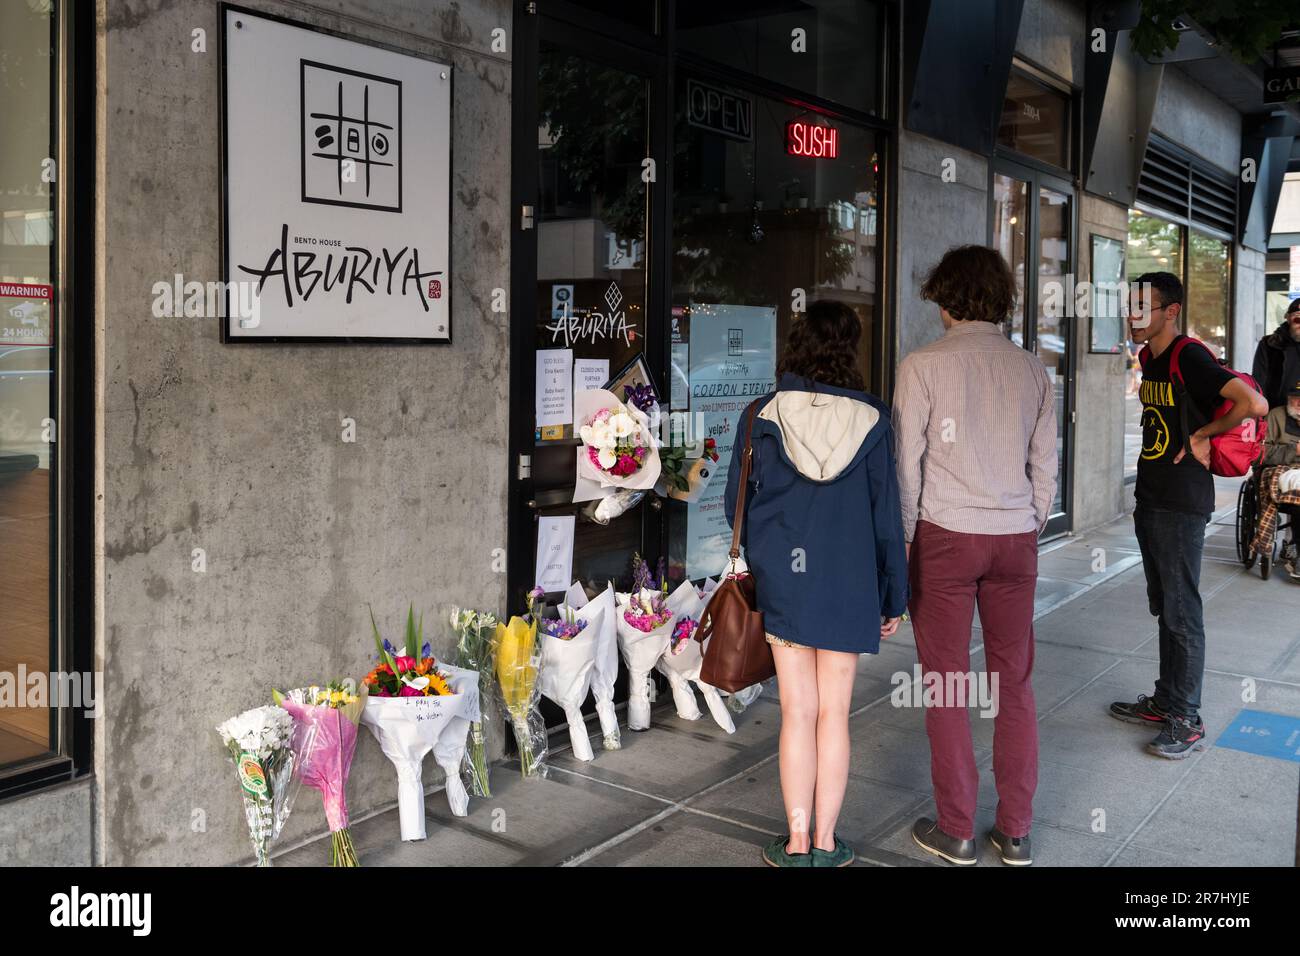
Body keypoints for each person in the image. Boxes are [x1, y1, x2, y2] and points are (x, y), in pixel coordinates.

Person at [724, 299, 908, 868]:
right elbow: (887, 519)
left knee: (797, 712)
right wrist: (893, 595)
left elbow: (737, 504)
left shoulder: (760, 415)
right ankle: (828, 843)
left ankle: (796, 841)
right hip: (850, 583)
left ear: (796, 343)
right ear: (848, 348)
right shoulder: (874, 420)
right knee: (835, 714)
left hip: (786, 582)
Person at [892, 244, 1057, 867]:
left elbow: (906, 472)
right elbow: (1046, 472)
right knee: (1014, 683)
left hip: (945, 538)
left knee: (945, 684)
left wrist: (904, 551)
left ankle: (956, 828)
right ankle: (1015, 832)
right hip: (1014, 539)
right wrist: (1026, 522)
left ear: (946, 298)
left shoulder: (922, 366)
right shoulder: (1033, 370)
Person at [1110, 272, 1269, 757]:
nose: (1132, 316)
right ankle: (1166, 700)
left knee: (1182, 610)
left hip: (1182, 500)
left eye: (1143, 307)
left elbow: (1254, 403)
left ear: (1171, 311)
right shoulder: (1148, 358)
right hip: (1152, 495)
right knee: (1165, 605)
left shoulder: (1189, 355)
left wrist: (1203, 436)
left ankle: (1187, 717)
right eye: (1129, 306)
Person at [1250, 379, 1300, 579]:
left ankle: (1294, 546)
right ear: (1289, 399)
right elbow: (1260, 452)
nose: (1299, 403)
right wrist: (1293, 450)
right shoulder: (1275, 416)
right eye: (1296, 399)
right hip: (1278, 469)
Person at [1251, 297, 1300, 410]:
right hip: (1277, 413)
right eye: (1297, 319)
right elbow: (1259, 381)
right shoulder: (1269, 344)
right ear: (1287, 318)